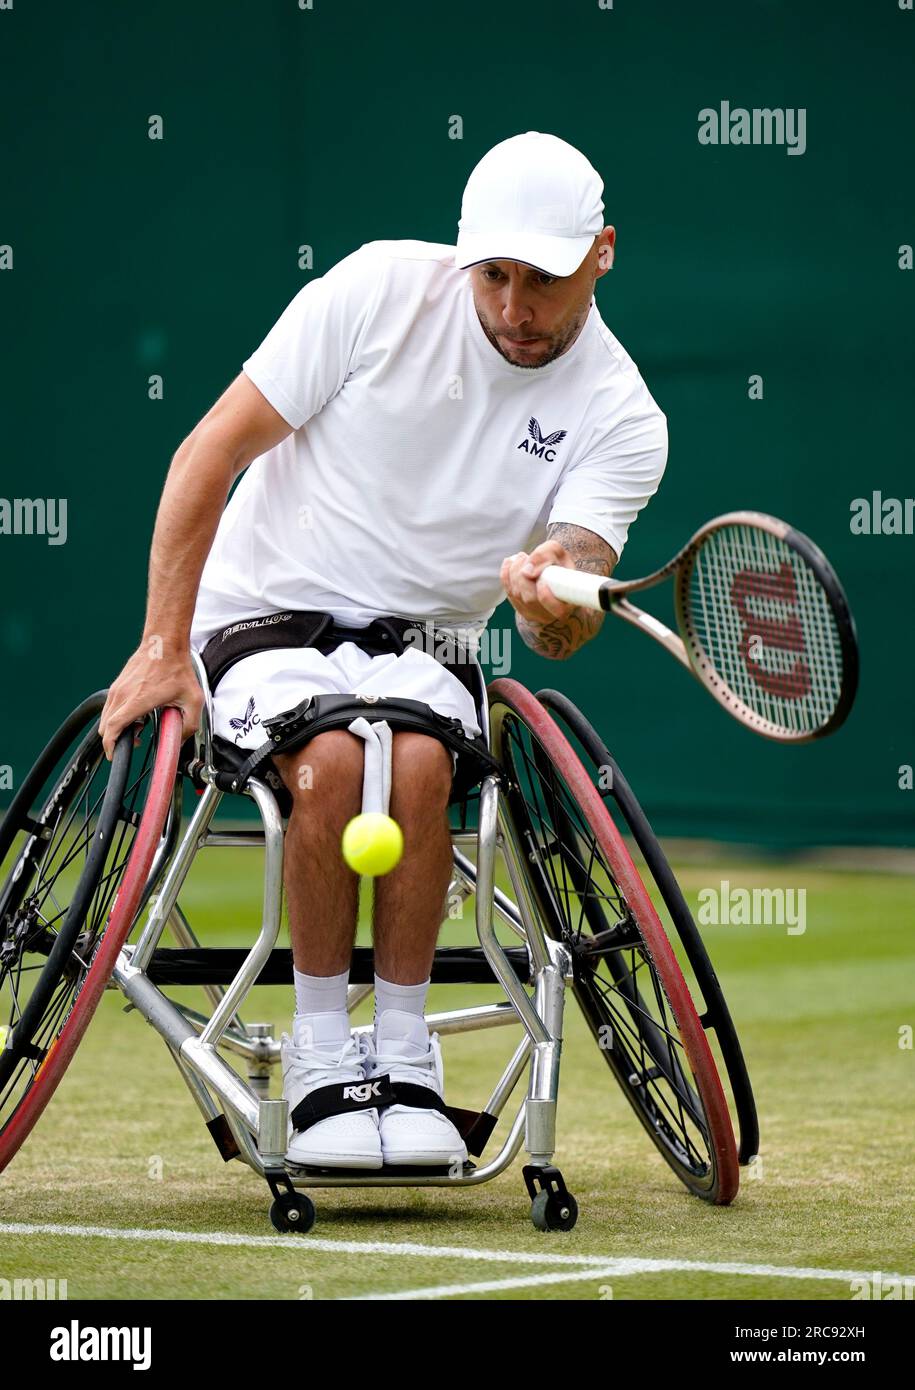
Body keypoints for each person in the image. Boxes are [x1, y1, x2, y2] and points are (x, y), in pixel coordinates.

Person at [99, 131, 668, 1171]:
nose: (511, 306)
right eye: (491, 275)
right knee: (328, 768)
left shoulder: (623, 416)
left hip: (430, 645)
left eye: (540, 279)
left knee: (415, 762)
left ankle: (401, 1055)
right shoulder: (372, 291)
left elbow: (568, 615)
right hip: (267, 614)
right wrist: (161, 643)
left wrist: (547, 599)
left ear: (604, 253)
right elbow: (209, 451)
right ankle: (323, 1052)